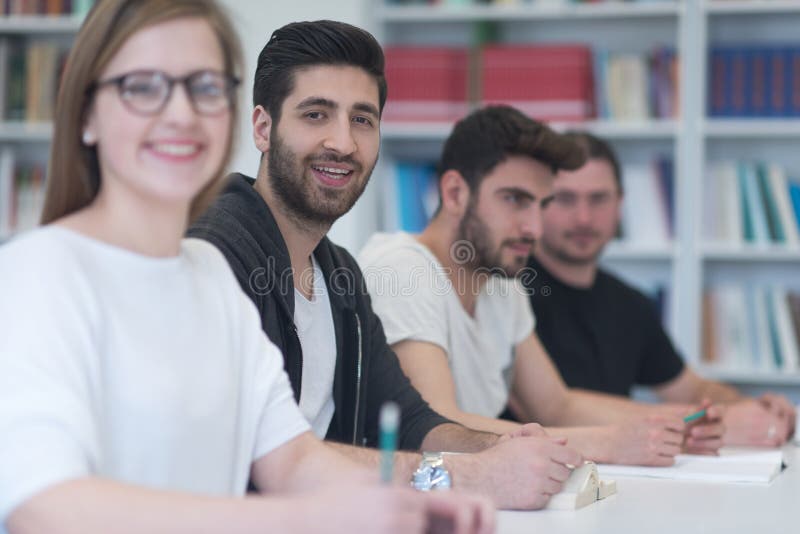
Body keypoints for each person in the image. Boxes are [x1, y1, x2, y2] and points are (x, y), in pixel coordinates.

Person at [0, 2, 494, 534]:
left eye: (206, 88)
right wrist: (303, 518)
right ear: (86, 114)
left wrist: (425, 499)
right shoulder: (35, 275)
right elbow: (41, 504)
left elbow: (293, 461)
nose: (181, 114)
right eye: (143, 87)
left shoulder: (209, 275)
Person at [188, 19, 581, 510]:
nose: (343, 143)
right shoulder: (215, 254)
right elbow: (249, 456)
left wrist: (506, 449)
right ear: (263, 128)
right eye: (316, 115)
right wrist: (473, 475)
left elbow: (412, 421)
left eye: (362, 119)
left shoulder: (341, 275)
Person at [359, 105, 726, 467]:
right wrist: (609, 442)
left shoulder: (502, 282)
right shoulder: (402, 268)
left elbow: (556, 405)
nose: (534, 227)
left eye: (542, 204)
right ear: (455, 193)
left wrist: (672, 424)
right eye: (515, 199)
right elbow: (435, 423)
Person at [526, 130, 796, 447]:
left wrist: (753, 408)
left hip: (619, 476)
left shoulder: (630, 304)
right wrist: (702, 420)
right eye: (565, 199)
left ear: (620, 204)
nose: (583, 218)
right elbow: (556, 408)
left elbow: (692, 389)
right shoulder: (510, 293)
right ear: (539, 201)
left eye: (598, 199)